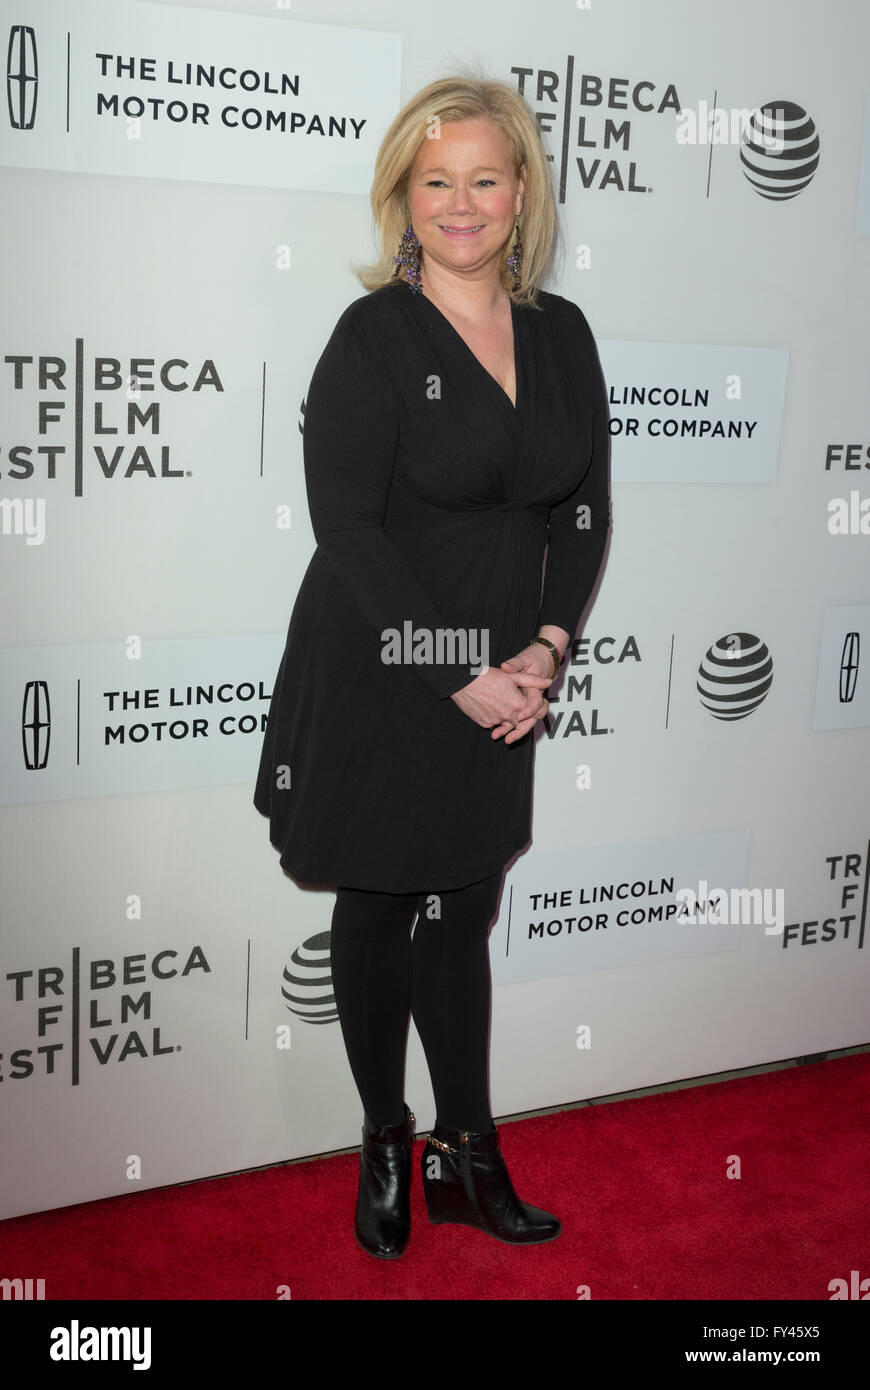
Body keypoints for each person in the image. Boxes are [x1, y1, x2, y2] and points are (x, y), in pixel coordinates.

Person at [253, 71, 611, 1259]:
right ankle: (383, 1139)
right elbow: (347, 532)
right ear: (405, 198)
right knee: (379, 900)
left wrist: (548, 650)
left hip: (510, 674)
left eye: (485, 179)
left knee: (464, 912)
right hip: (385, 663)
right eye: (436, 180)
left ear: (523, 193)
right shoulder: (373, 336)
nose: (462, 203)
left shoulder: (562, 334)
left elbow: (583, 514)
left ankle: (469, 1153)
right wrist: (463, 669)